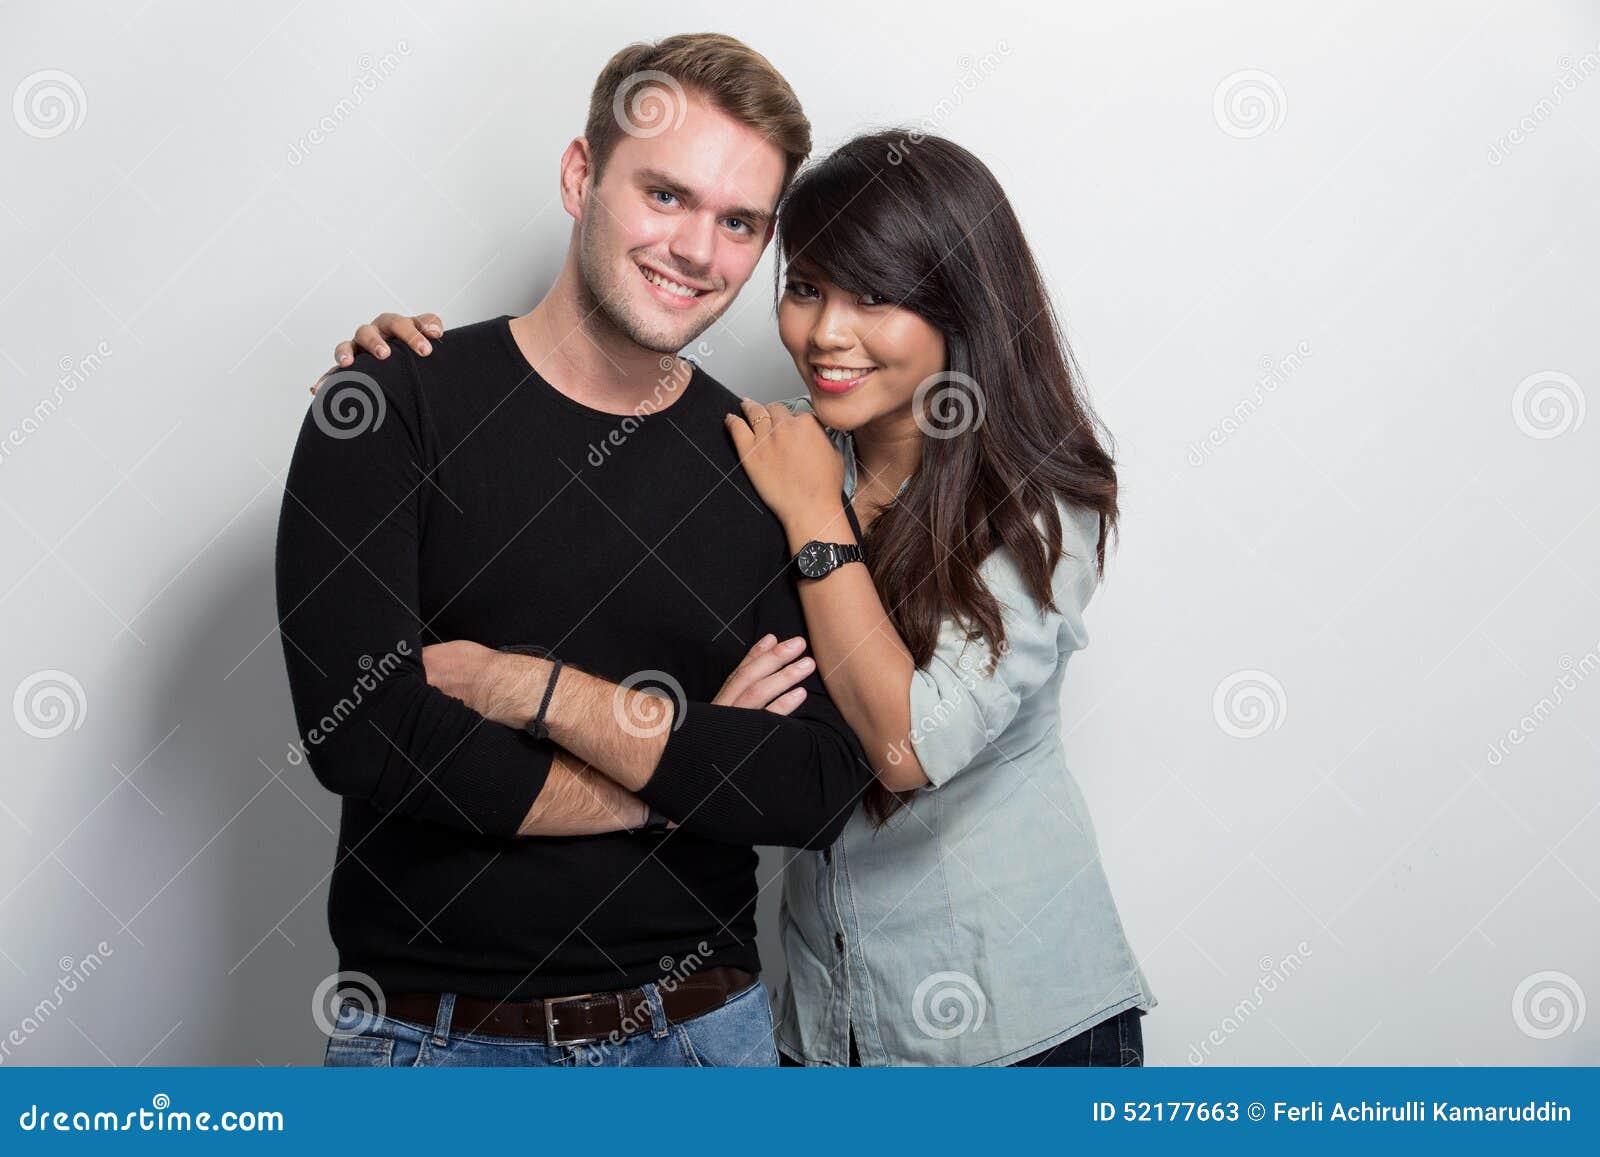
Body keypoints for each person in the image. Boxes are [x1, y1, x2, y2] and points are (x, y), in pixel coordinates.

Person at [323, 130, 1159, 1066]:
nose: (825, 333)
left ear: (961, 307)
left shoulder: (1034, 502)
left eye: (874, 297)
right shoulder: (770, 450)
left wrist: (812, 518)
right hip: (823, 1024)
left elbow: (906, 745)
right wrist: (395, 382)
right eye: (805, 288)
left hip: (1019, 1023)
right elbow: (750, 757)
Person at [275, 32, 873, 1069]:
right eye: (666, 196)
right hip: (435, 1045)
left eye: (738, 222)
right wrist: (681, 765)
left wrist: (531, 691)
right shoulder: (387, 404)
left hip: (702, 1039)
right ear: (580, 175)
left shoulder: (772, 459)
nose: (697, 250)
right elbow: (367, 736)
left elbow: (809, 785)